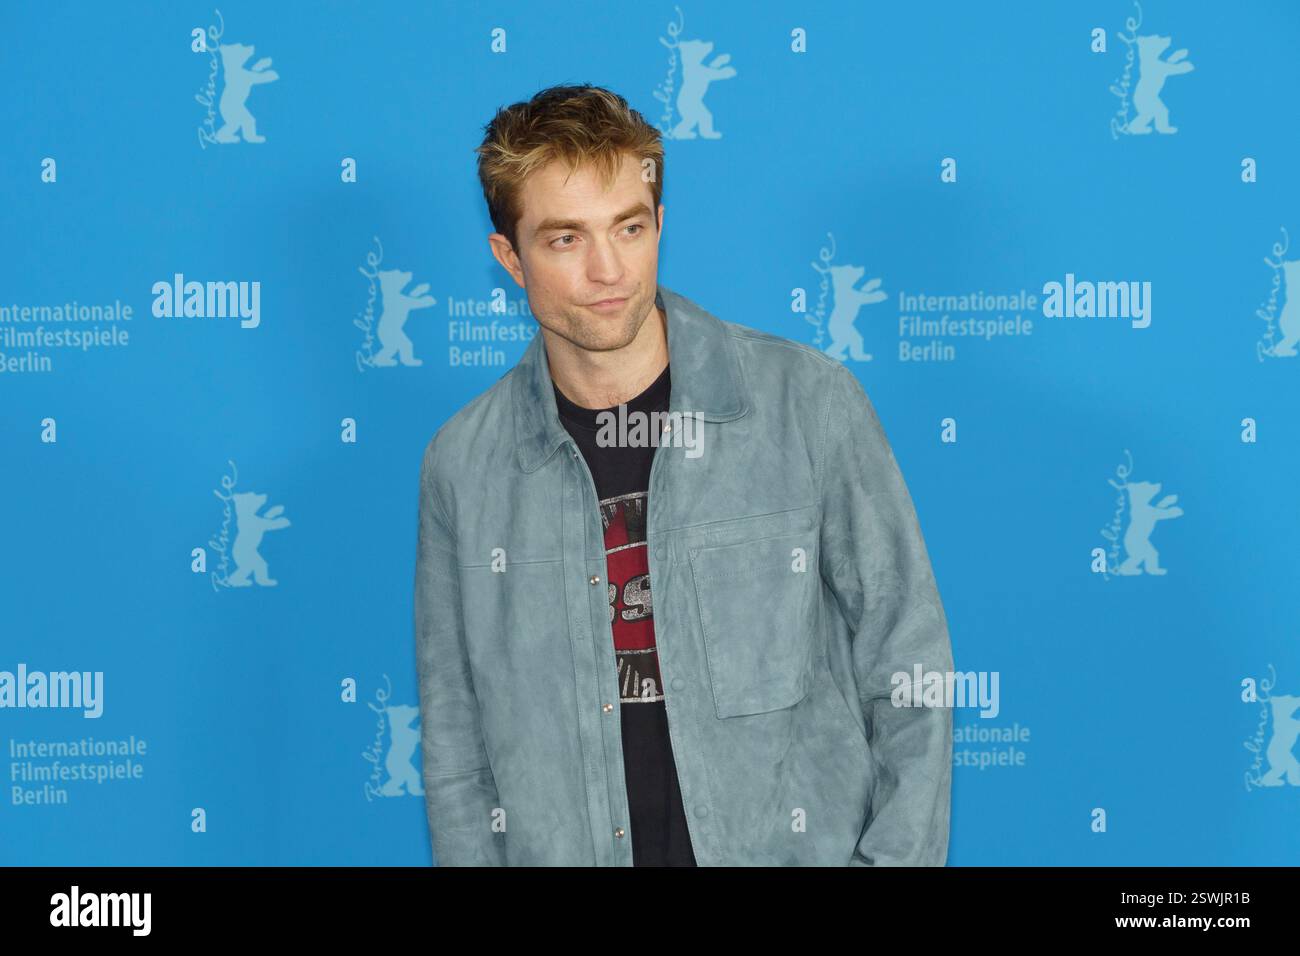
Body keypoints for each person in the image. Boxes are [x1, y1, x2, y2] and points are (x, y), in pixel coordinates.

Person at [414, 84, 954, 866]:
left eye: (629, 228)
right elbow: (458, 746)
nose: (608, 270)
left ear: (659, 223)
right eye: (566, 240)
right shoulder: (463, 466)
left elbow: (910, 668)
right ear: (509, 257)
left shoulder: (804, 403)